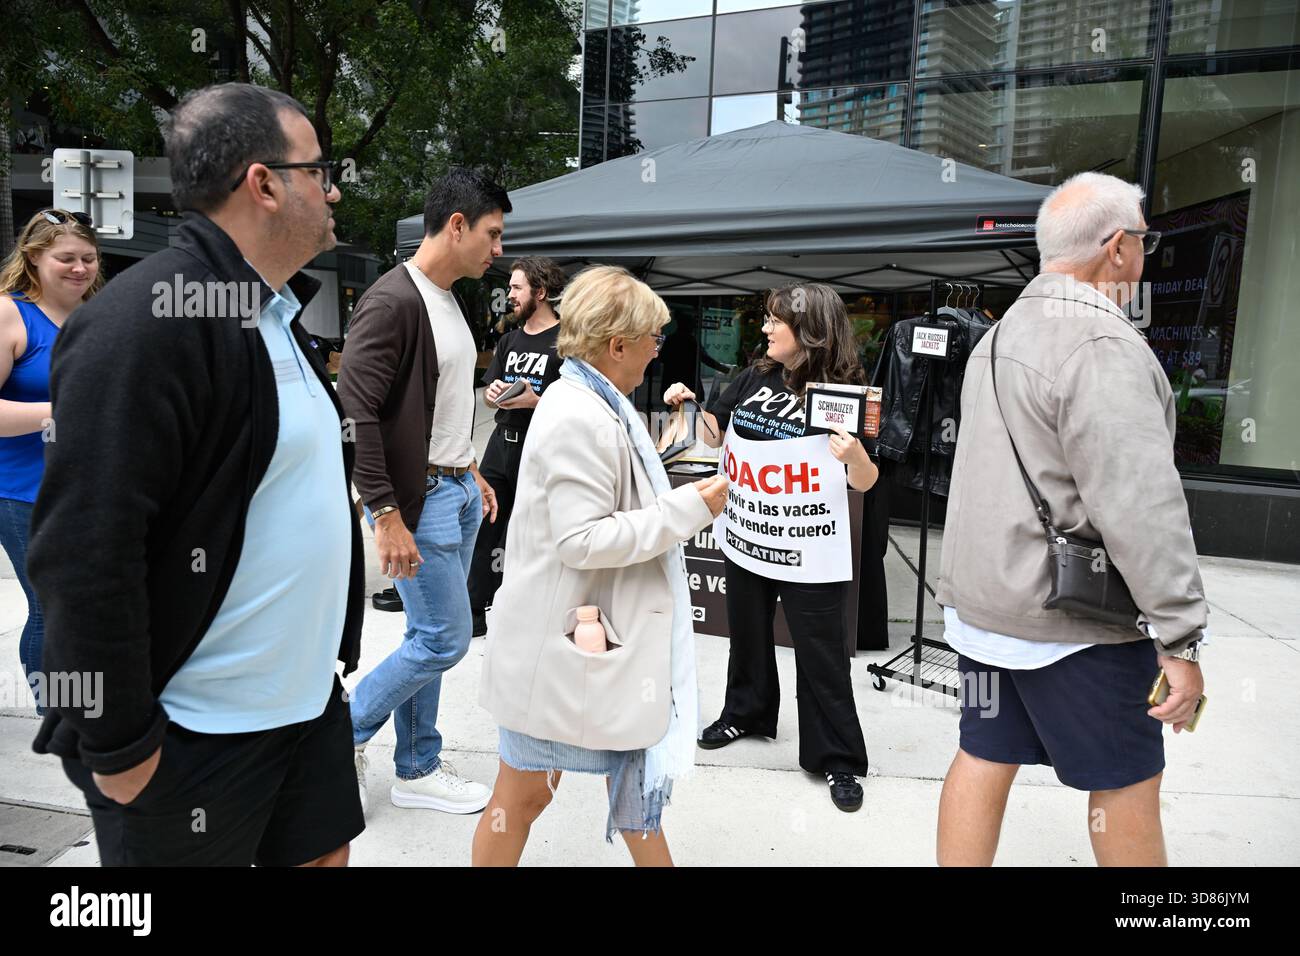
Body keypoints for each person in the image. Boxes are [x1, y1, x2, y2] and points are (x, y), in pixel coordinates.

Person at [27, 82, 366, 866]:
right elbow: (84, 551)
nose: (334, 189)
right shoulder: (145, 321)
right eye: (319, 170)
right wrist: (119, 745)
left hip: (303, 708)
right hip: (194, 733)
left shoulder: (273, 312)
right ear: (265, 183)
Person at [934, 171, 1208, 866]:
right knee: (1126, 781)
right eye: (1144, 239)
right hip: (1072, 623)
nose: (1144, 253)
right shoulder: (1100, 343)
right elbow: (1140, 506)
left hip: (984, 609)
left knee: (983, 755)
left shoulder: (997, 336)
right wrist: (1180, 637)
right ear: (1117, 247)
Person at [474, 266, 728, 866]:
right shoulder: (579, 414)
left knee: (591, 798)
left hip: (582, 641)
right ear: (616, 345)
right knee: (527, 796)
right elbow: (581, 539)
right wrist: (688, 509)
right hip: (567, 645)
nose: (657, 349)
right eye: (652, 338)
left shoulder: (591, 401)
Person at [665, 283, 879, 812]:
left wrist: (854, 456)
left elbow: (866, 481)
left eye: (774, 320)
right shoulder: (755, 375)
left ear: (808, 330)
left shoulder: (843, 390)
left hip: (810, 547)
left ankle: (837, 757)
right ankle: (747, 712)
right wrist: (689, 405)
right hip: (747, 535)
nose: (764, 328)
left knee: (821, 653)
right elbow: (715, 435)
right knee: (748, 635)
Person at [339, 168, 508, 815]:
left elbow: (440, 408)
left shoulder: (448, 299)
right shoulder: (393, 301)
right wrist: (385, 513)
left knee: (425, 634)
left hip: (455, 488)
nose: (498, 250)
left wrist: (470, 468)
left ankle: (416, 767)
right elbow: (356, 413)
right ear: (457, 225)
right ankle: (338, 736)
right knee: (444, 639)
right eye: (492, 234)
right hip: (418, 501)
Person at [0, 210, 102, 712]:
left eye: (88, 257)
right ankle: (59, 711)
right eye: (66, 258)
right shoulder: (9, 315)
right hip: (24, 492)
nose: (80, 268)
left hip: (94, 488)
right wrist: (64, 411)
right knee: (53, 605)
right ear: (34, 257)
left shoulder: (100, 316)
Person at [467, 256, 567, 636]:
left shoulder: (566, 342)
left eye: (516, 287)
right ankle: (474, 610)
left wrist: (534, 401)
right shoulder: (509, 340)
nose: (509, 294)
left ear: (539, 292)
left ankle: (527, 614)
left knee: (532, 532)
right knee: (486, 522)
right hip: (500, 444)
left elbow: (577, 404)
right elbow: (488, 395)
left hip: (539, 448)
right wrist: (494, 394)